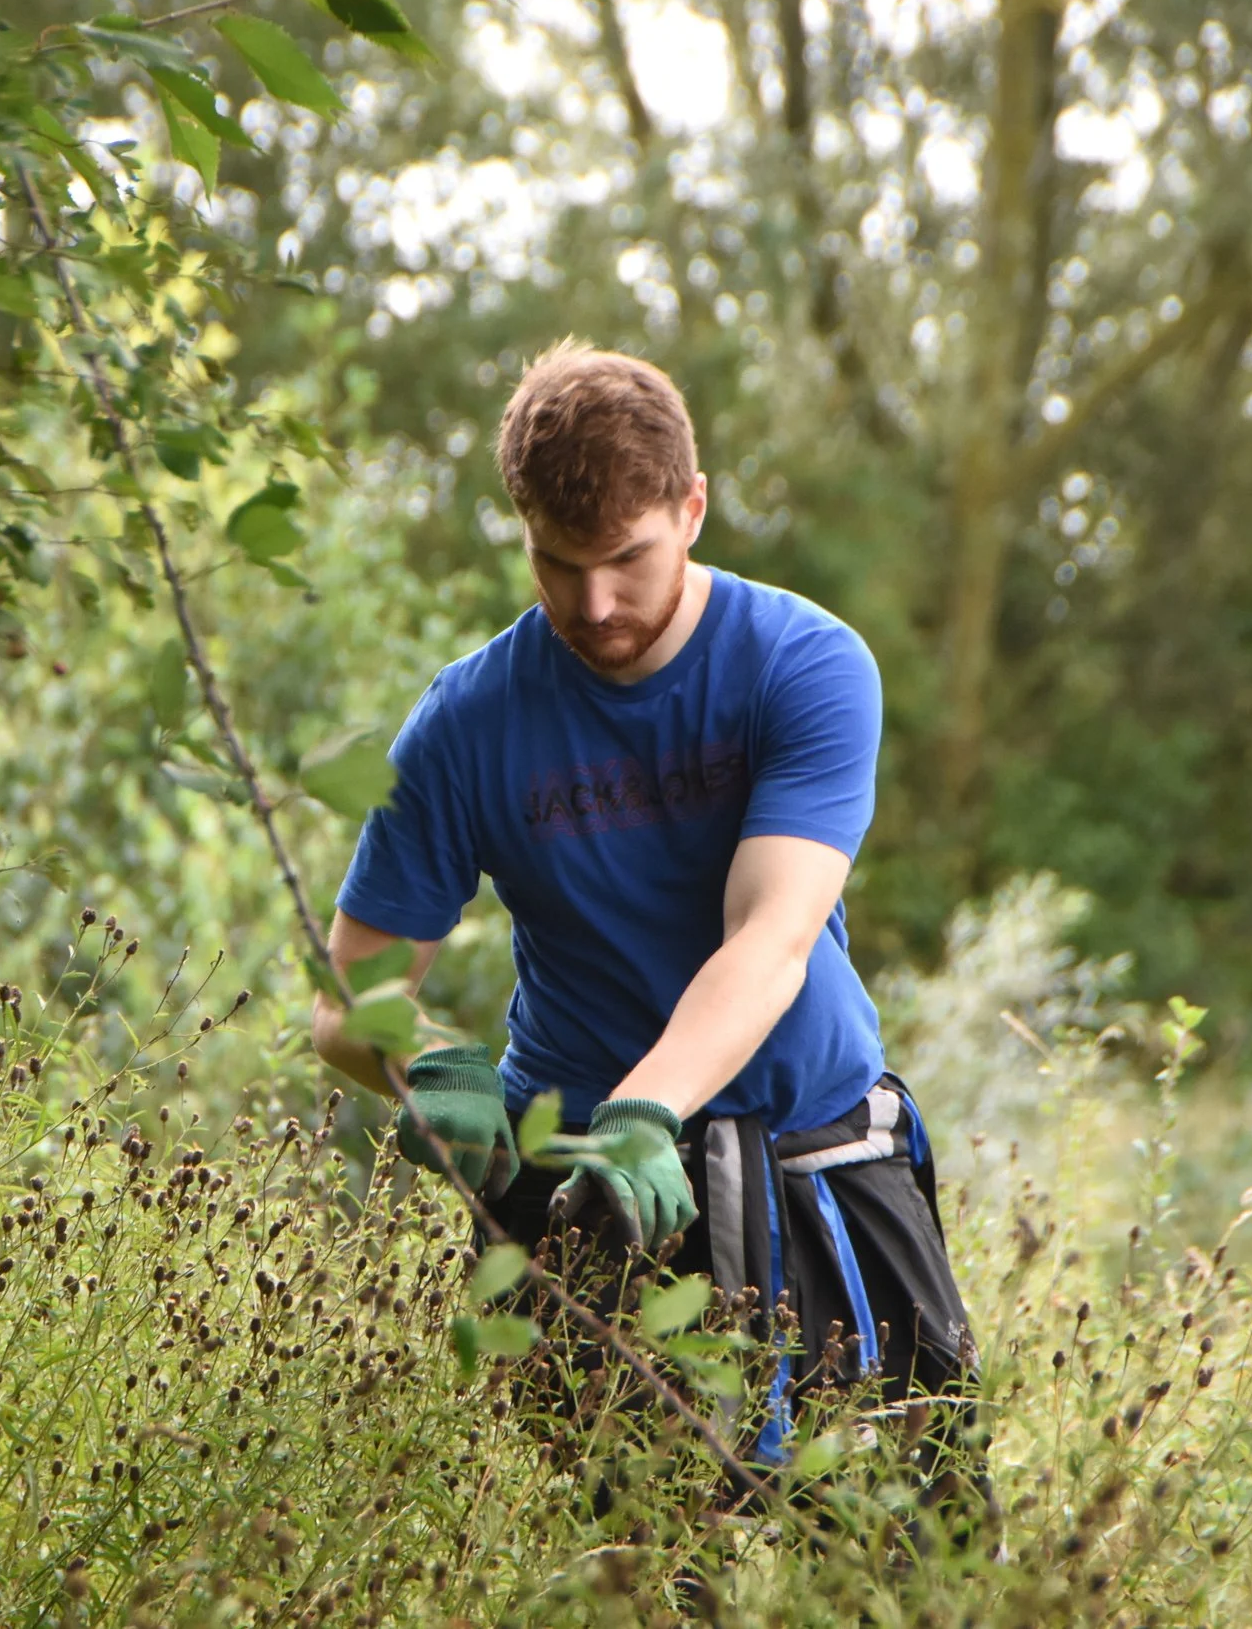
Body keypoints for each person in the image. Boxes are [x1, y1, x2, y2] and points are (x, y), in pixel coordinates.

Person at [308, 338, 978, 1522]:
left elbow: (768, 938)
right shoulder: (463, 723)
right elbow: (346, 995)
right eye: (557, 565)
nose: (594, 604)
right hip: (582, 1208)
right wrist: (423, 1069)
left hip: (811, 1161)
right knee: (633, 1572)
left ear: (693, 506)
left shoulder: (806, 666)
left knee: (916, 1556)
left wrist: (645, 1109)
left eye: (628, 558)